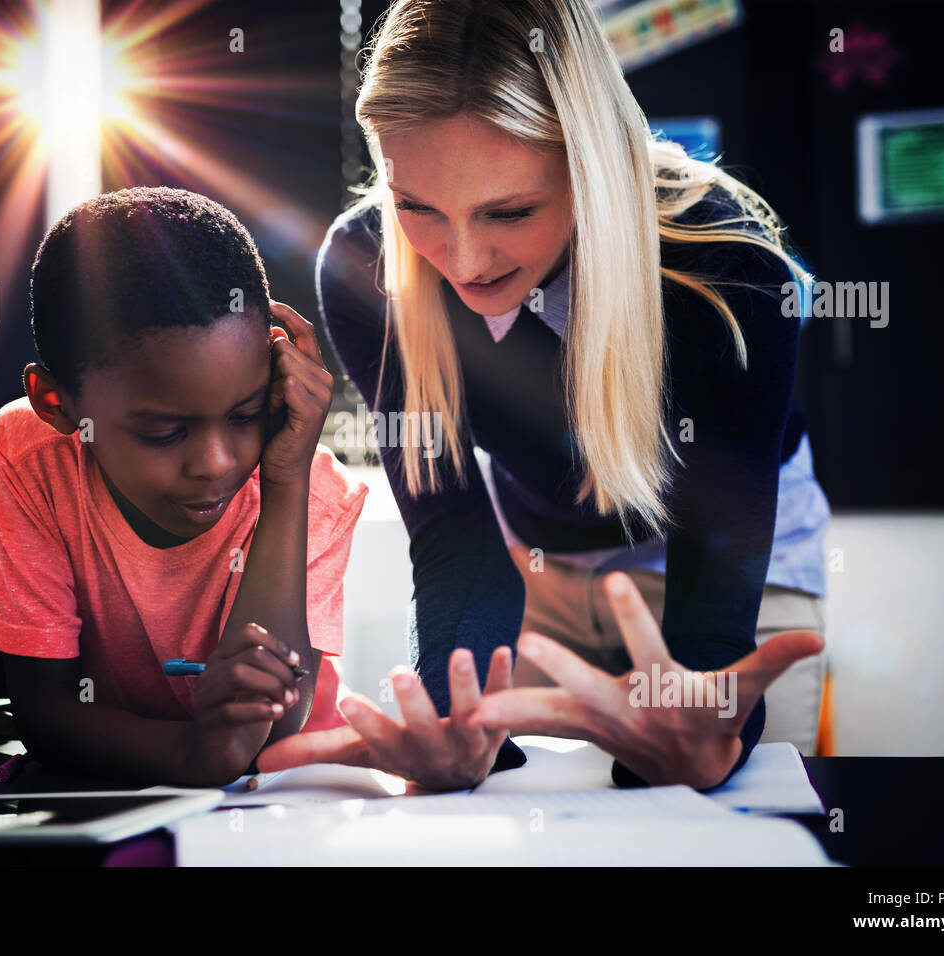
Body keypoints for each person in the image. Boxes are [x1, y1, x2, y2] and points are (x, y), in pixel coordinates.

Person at [258, 0, 828, 792]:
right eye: (417, 206)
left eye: (510, 211)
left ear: (589, 164)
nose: (462, 260)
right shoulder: (363, 267)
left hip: (721, 556)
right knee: (498, 806)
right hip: (534, 566)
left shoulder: (730, 267)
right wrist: (449, 720)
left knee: (701, 800)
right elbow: (454, 531)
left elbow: (716, 565)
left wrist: (704, 727)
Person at [0, 187, 367, 786]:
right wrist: (195, 754)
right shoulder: (29, 458)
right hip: (120, 786)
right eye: (164, 432)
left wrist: (285, 480)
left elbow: (269, 732)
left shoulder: (311, 485)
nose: (215, 463)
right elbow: (44, 713)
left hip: (291, 792)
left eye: (245, 415)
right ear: (56, 402)